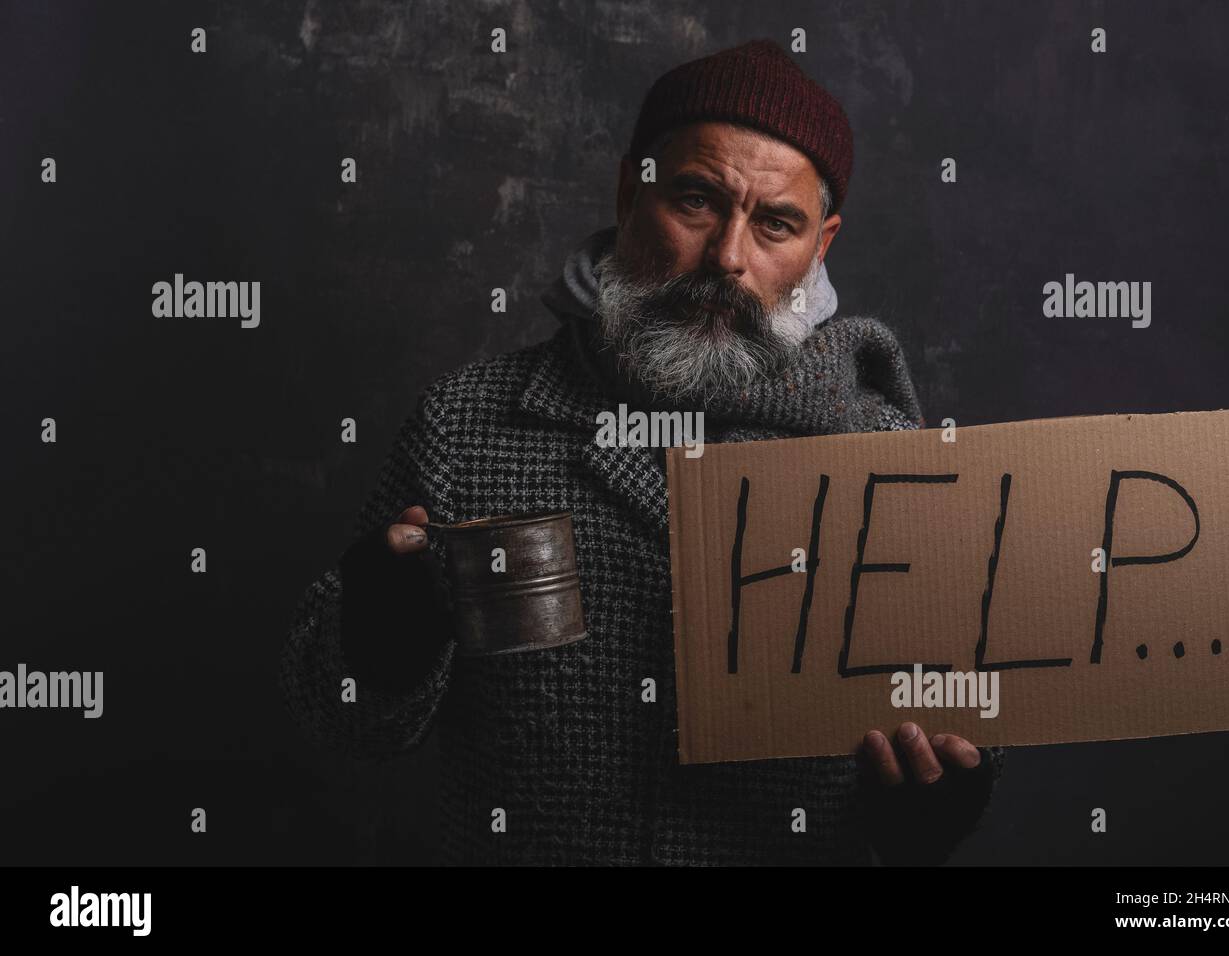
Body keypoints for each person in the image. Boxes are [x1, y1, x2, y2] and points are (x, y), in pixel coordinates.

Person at [279, 37, 1005, 865]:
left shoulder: (886, 458)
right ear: (630, 192)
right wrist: (380, 642)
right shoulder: (467, 426)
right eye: (696, 201)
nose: (729, 258)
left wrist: (934, 806)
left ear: (821, 247)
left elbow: (966, 724)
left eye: (776, 223)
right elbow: (336, 722)